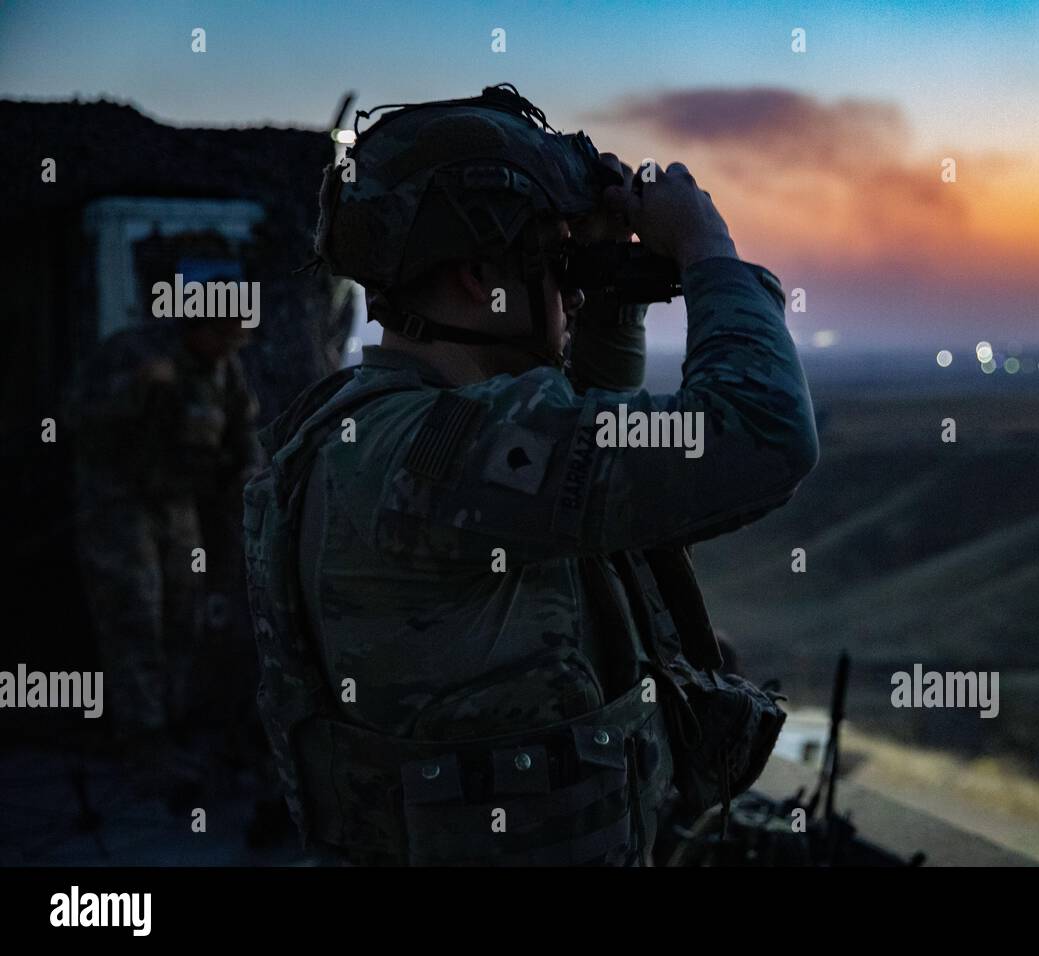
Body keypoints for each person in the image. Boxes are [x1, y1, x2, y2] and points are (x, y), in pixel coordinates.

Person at [244, 85, 819, 865]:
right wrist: (708, 250)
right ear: (484, 278)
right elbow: (762, 434)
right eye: (555, 266)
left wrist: (610, 301)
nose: (572, 293)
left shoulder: (382, 427)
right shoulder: (431, 452)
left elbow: (581, 478)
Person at [71, 313, 259, 758]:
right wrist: (136, 388)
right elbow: (75, 415)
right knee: (135, 610)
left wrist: (249, 473)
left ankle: (180, 719)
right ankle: (144, 737)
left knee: (185, 607)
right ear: (201, 327)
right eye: (227, 337)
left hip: (177, 504)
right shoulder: (133, 351)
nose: (233, 349)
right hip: (118, 502)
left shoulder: (223, 366)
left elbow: (243, 426)